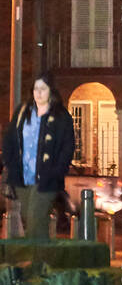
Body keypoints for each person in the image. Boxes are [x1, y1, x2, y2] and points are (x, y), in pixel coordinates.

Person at [2, 74, 75, 240]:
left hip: (47, 178)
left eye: (43, 89)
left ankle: (36, 260)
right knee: (31, 219)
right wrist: (11, 164)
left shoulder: (60, 116)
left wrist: (57, 170)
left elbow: (67, 146)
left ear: (51, 91)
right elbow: (9, 140)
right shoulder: (23, 112)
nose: (39, 93)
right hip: (23, 177)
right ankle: (41, 260)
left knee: (36, 216)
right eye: (36, 89)